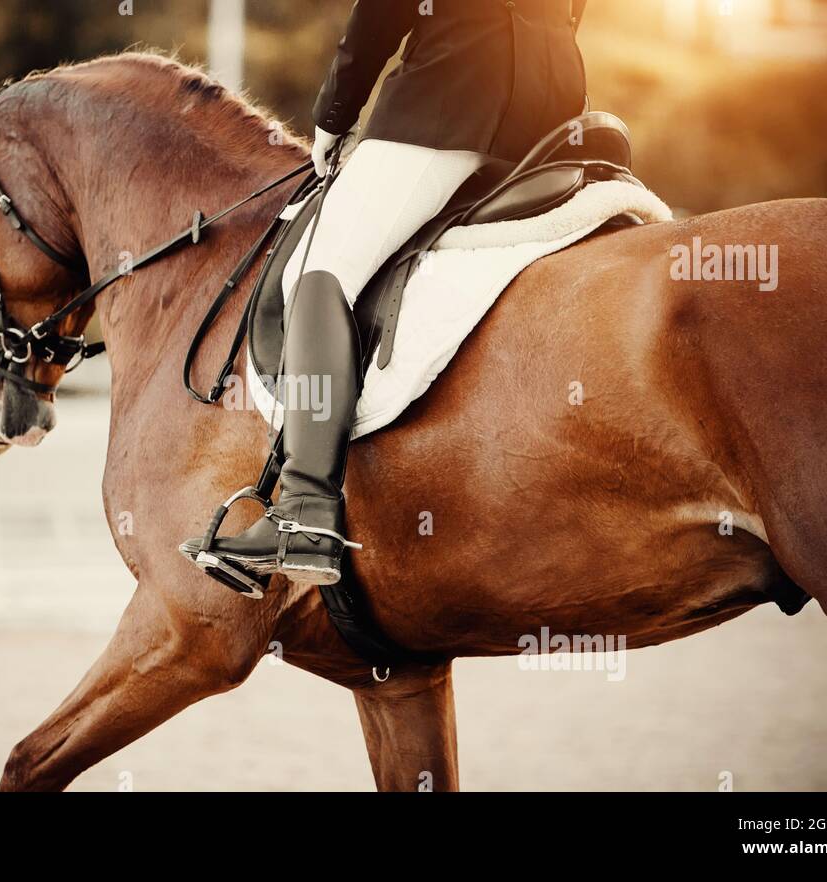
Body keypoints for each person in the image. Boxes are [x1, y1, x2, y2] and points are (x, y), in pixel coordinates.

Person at [182, 0, 588, 586]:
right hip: (557, 116)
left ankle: (303, 509)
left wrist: (334, 116)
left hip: (452, 103)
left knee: (315, 276)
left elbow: (379, 14)